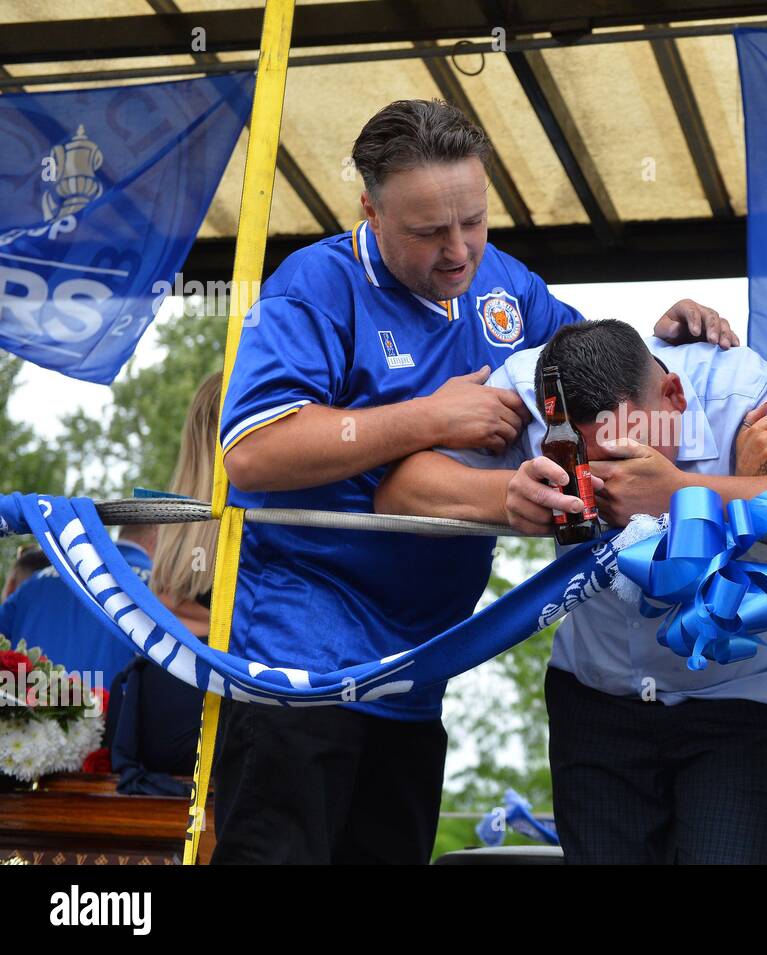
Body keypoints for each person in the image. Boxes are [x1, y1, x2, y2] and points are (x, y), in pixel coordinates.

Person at [212, 99, 738, 865]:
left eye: (475, 220)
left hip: (420, 671)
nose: (459, 251)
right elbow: (252, 452)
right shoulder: (314, 287)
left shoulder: (507, 286)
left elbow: (593, 371)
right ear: (370, 210)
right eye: (429, 231)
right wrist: (428, 417)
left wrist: (662, 337)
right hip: (302, 667)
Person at [374, 319, 767, 863]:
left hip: (748, 702)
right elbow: (398, 492)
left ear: (673, 397)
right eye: (588, 466)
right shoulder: (530, 390)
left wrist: (684, 493)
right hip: (597, 698)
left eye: (626, 456)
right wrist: (505, 494)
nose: (608, 482)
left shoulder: (741, 391)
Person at [106, 373, 220, 794]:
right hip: (215, 703)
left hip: (160, 699)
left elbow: (169, 603)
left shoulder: (173, 518)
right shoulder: (253, 518)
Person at [0, 522, 155, 683]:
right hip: (105, 704)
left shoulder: (38, 580)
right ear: (159, 534)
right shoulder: (157, 589)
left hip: (21, 701)